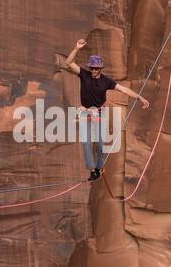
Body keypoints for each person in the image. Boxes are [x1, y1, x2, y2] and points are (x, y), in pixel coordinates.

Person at [62, 38, 149, 180]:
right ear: (90, 67)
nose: (94, 70)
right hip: (85, 113)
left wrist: (139, 97)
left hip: (100, 113)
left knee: (101, 143)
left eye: (96, 68)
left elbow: (124, 90)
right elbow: (68, 63)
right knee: (86, 143)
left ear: (101, 68)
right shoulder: (84, 74)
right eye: (92, 68)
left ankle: (99, 166)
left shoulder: (106, 81)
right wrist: (77, 48)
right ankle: (93, 171)